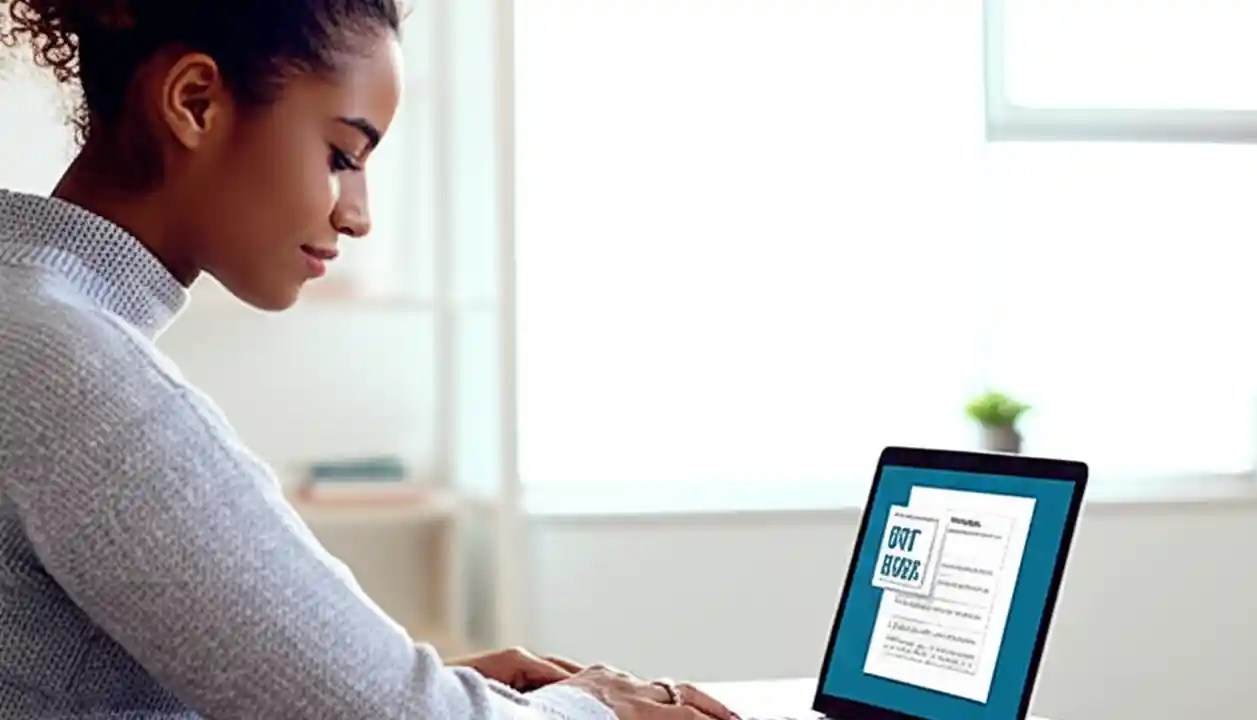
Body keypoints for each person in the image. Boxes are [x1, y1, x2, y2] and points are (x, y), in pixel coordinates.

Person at [0, 2, 737, 718]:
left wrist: (431, 693)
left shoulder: (29, 315)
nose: (358, 214)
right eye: (342, 156)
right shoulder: (73, 370)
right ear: (195, 102)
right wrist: (594, 710)